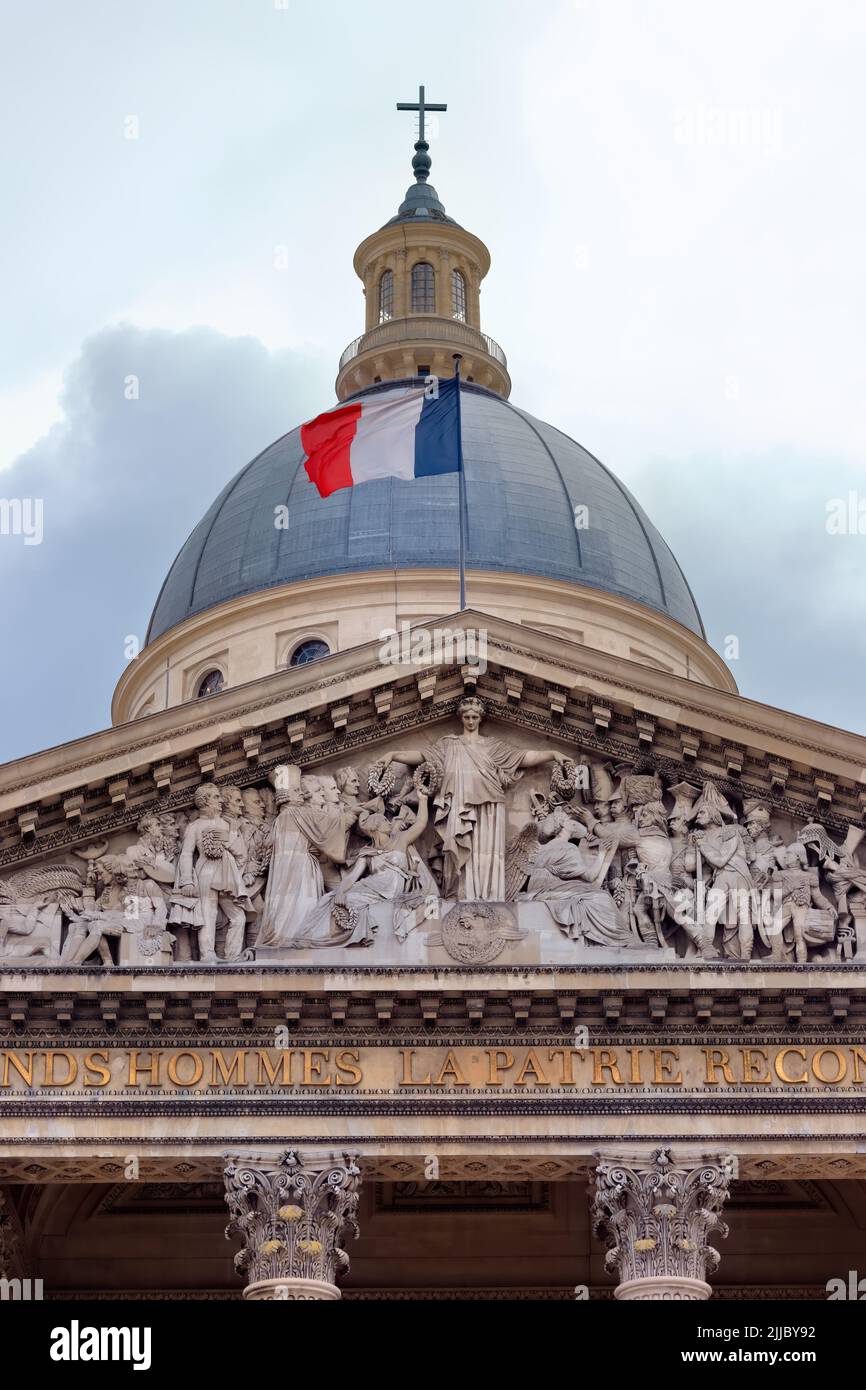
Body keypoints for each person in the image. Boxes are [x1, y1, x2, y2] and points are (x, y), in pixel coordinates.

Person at [379, 696, 567, 901]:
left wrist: (553, 753)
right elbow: (421, 756)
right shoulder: (448, 745)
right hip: (458, 804)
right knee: (456, 848)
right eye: (467, 717)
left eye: (474, 717)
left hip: (490, 807)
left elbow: (524, 757)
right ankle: (458, 895)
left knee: (486, 853)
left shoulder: (493, 746)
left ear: (480, 718)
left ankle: (488, 897)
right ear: (461, 718)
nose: (470, 721)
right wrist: (393, 754)